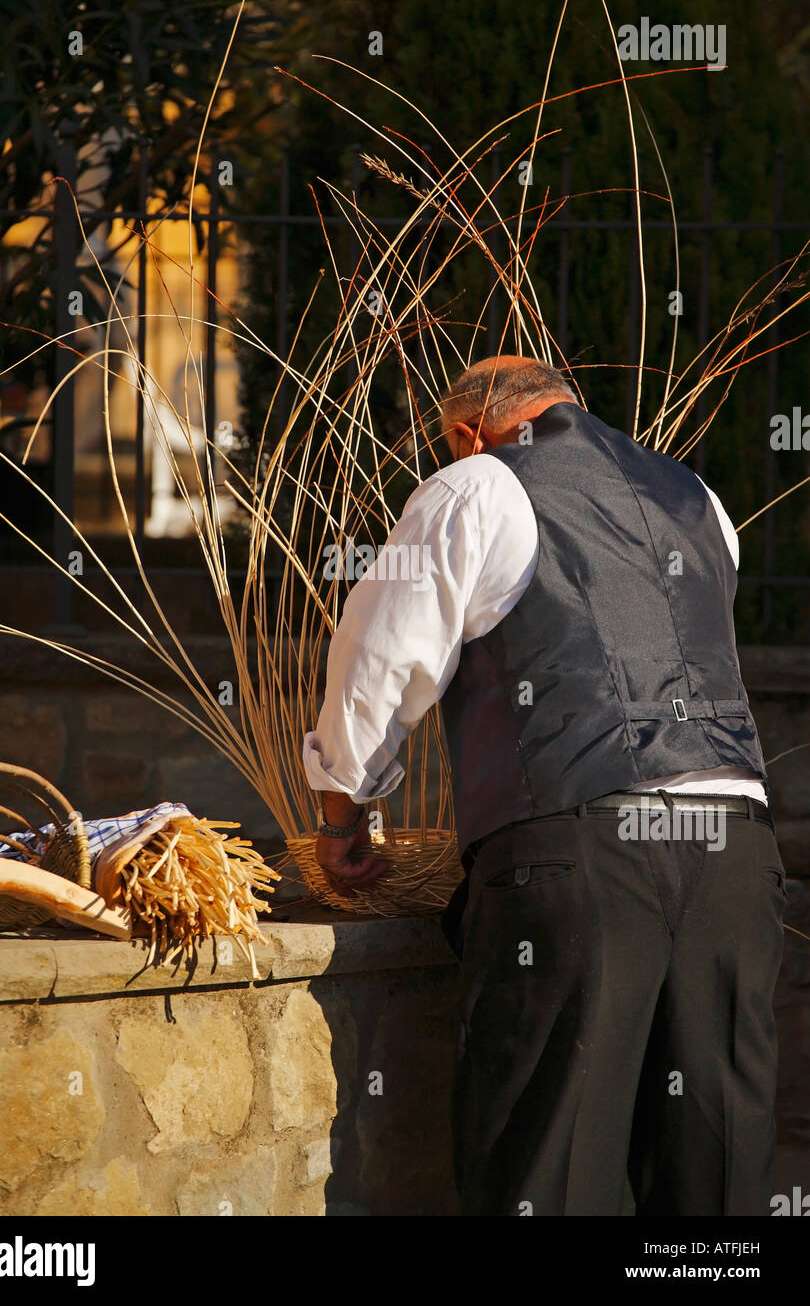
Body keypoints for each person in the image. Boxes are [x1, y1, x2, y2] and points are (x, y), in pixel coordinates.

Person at [302, 355, 785, 1216]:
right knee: (713, 1175)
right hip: (736, 855)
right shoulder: (697, 501)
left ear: (464, 430)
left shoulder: (474, 486)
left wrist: (345, 811)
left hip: (580, 853)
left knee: (549, 1169)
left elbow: (377, 663)